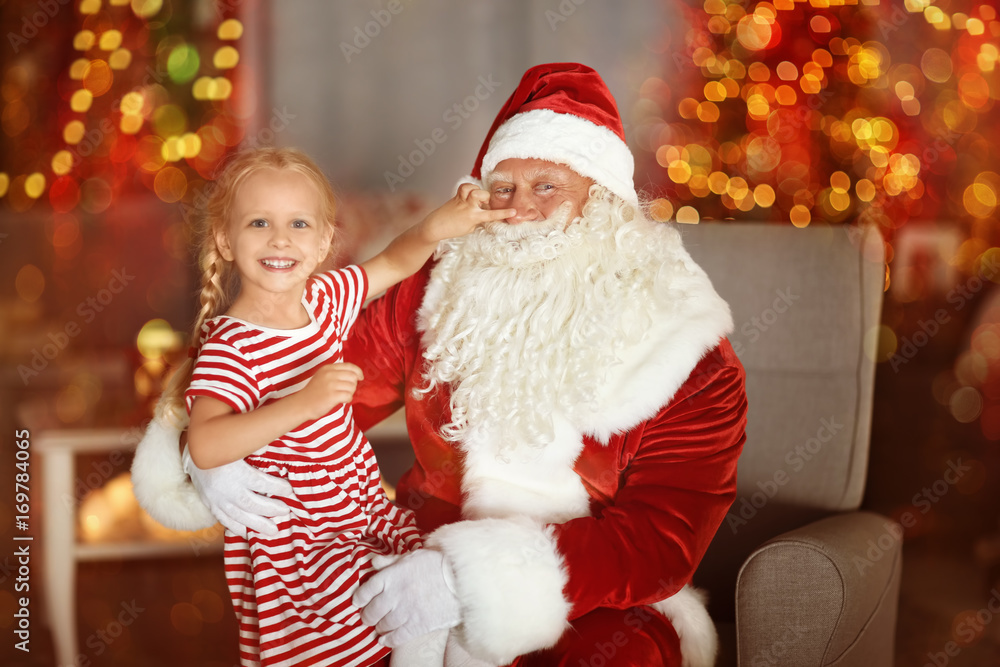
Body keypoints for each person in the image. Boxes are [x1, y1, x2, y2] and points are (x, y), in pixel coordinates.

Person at [133, 63, 747, 666]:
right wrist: (209, 449)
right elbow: (294, 363)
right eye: (503, 188)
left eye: (547, 187)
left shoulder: (689, 351)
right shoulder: (443, 290)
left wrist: (469, 579)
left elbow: (658, 544)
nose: (521, 209)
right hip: (412, 554)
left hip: (590, 596)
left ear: (603, 199)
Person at [149, 146, 514, 667]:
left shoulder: (324, 300)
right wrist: (305, 401)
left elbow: (393, 259)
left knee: (442, 609)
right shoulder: (231, 346)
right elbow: (206, 444)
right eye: (259, 223)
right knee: (407, 620)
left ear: (323, 242)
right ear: (226, 241)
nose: (280, 239)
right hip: (303, 544)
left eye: (299, 223)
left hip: (360, 512)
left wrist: (441, 223)